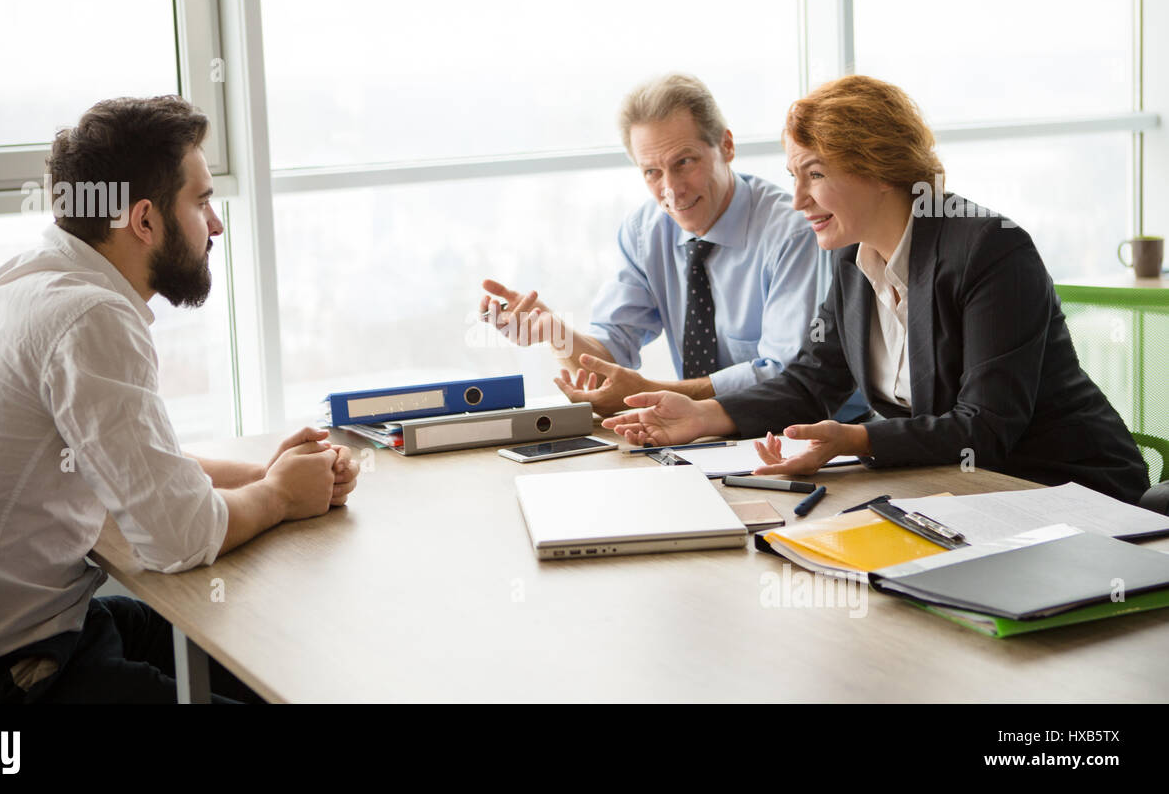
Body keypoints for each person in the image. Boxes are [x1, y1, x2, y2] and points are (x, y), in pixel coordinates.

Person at [0, 96, 359, 702]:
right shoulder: (90, 317)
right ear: (145, 221)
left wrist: (268, 470)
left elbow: (132, 471)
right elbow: (178, 535)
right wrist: (281, 496)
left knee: (260, 660)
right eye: (202, 201)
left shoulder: (32, 281)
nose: (217, 224)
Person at [604, 75, 1148, 504]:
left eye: (814, 175)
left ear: (880, 168)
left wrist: (858, 440)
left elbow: (986, 426)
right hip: (961, 494)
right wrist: (706, 417)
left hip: (1065, 489)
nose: (797, 199)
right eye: (794, 176)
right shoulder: (851, 257)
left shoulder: (988, 250)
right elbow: (810, 381)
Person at [480, 73, 866, 420]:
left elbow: (783, 376)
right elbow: (608, 360)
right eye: (652, 172)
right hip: (705, 437)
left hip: (820, 433)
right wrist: (555, 333)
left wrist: (652, 392)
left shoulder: (793, 231)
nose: (671, 190)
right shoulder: (644, 232)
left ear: (726, 146)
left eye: (684, 162)